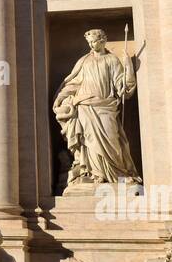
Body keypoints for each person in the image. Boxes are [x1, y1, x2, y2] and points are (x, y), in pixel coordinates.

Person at [53, 29, 139, 184]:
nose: (92, 45)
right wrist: (62, 96)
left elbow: (122, 87)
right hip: (85, 105)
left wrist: (128, 69)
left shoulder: (112, 60)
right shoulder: (84, 61)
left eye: (95, 41)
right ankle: (95, 173)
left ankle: (118, 173)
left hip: (105, 106)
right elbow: (74, 83)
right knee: (90, 140)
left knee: (112, 139)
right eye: (90, 42)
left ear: (103, 41)